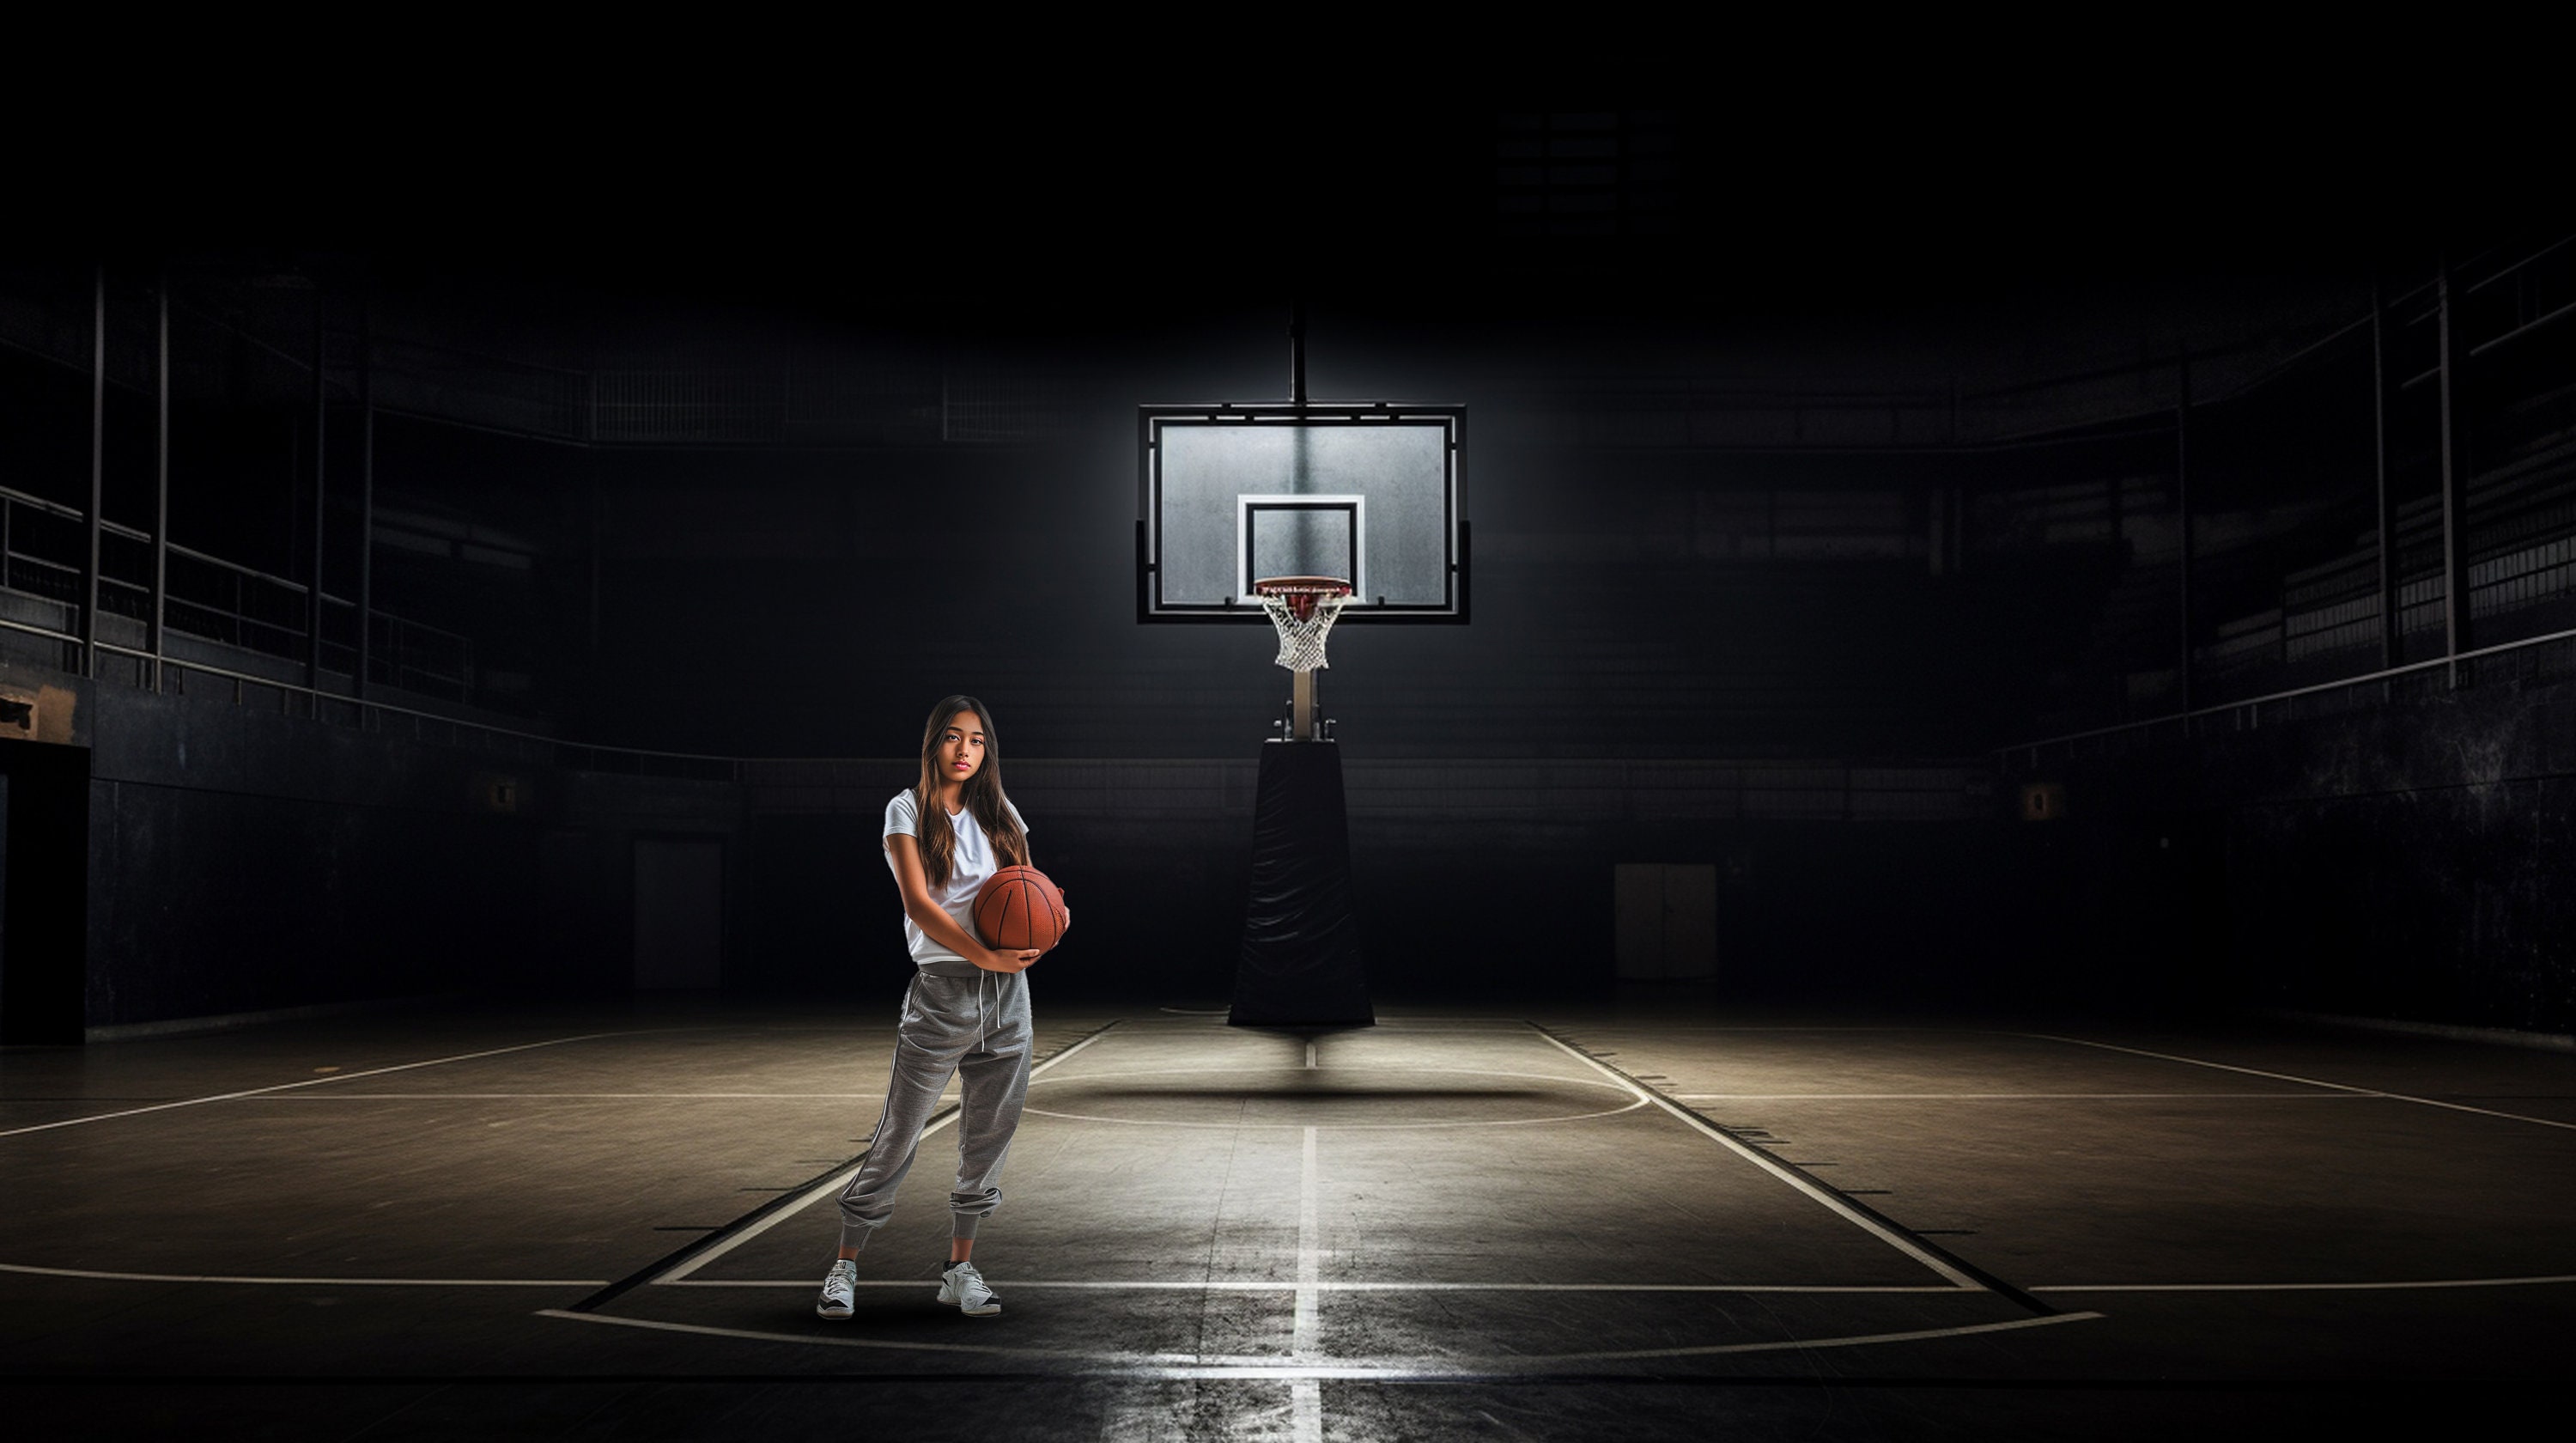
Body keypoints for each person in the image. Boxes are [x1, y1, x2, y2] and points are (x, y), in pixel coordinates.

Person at [816, 695, 1061, 1320]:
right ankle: (844, 1266)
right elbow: (920, 905)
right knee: (899, 1134)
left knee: (989, 1137)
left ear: (988, 751)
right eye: (953, 737)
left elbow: (1029, 888)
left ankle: (959, 1269)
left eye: (977, 740)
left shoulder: (1001, 812)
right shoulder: (905, 809)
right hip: (942, 994)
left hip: (1008, 1000)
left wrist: (1050, 921)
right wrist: (986, 956)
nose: (964, 750)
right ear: (933, 744)